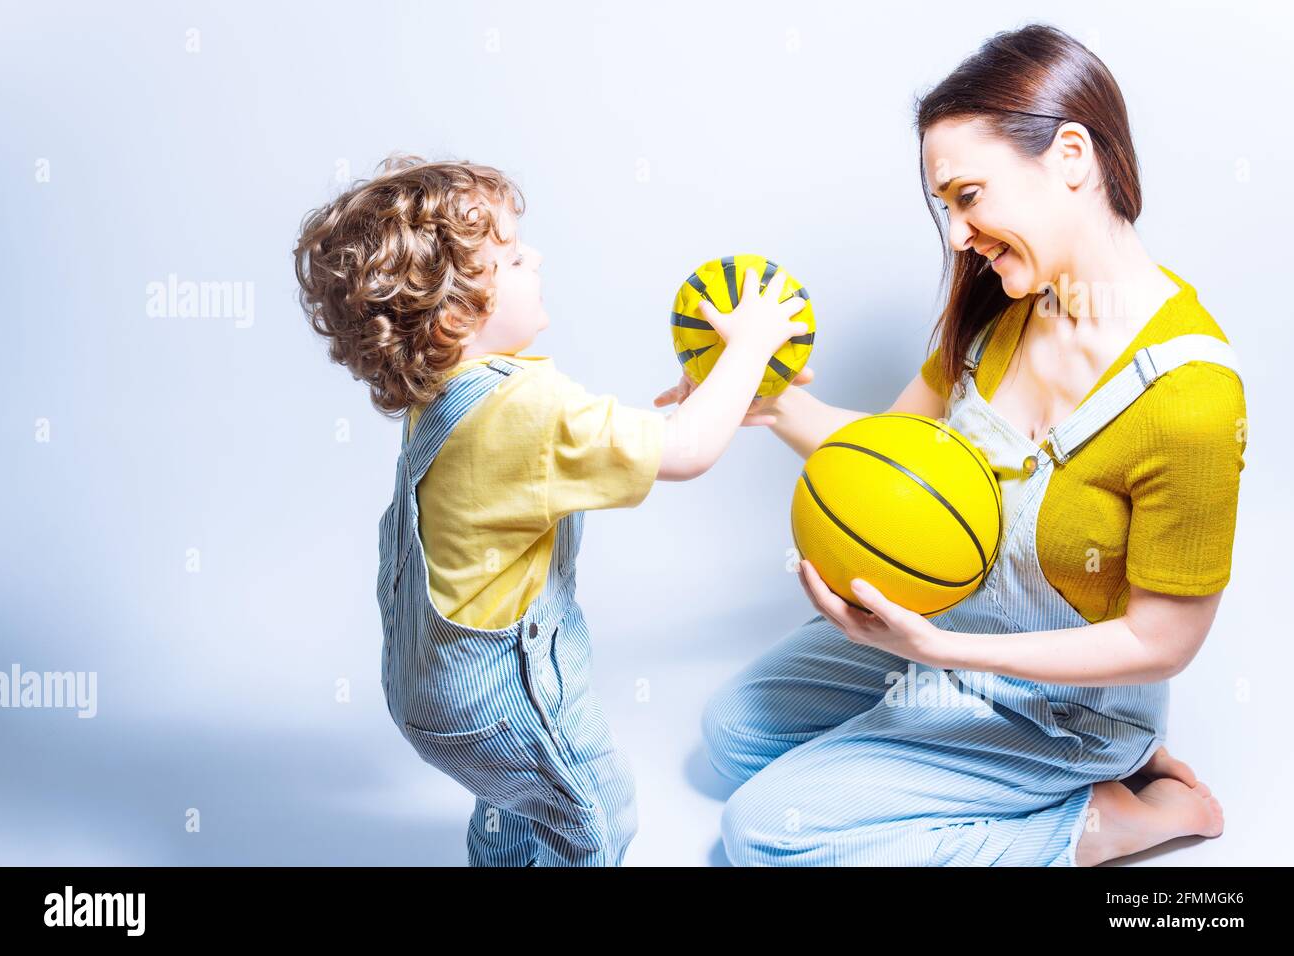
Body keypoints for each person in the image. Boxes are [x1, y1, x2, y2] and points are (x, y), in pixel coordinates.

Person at [662, 24, 1244, 866]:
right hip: (942, 623)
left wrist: (935, 652)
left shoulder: (1191, 397)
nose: (958, 234)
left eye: (968, 196)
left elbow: (1163, 642)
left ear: (1071, 156)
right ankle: (926, 764)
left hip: (1065, 701)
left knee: (762, 836)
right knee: (731, 736)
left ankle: (1103, 821)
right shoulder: (999, 314)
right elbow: (886, 456)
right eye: (946, 207)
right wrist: (757, 397)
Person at [293, 156, 808, 865]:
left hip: (432, 691)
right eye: (506, 257)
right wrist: (748, 350)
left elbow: (555, 448)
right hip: (503, 699)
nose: (532, 255)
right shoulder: (522, 407)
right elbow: (687, 452)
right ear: (450, 313)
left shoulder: (448, 396)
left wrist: (708, 391)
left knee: (515, 804)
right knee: (592, 812)